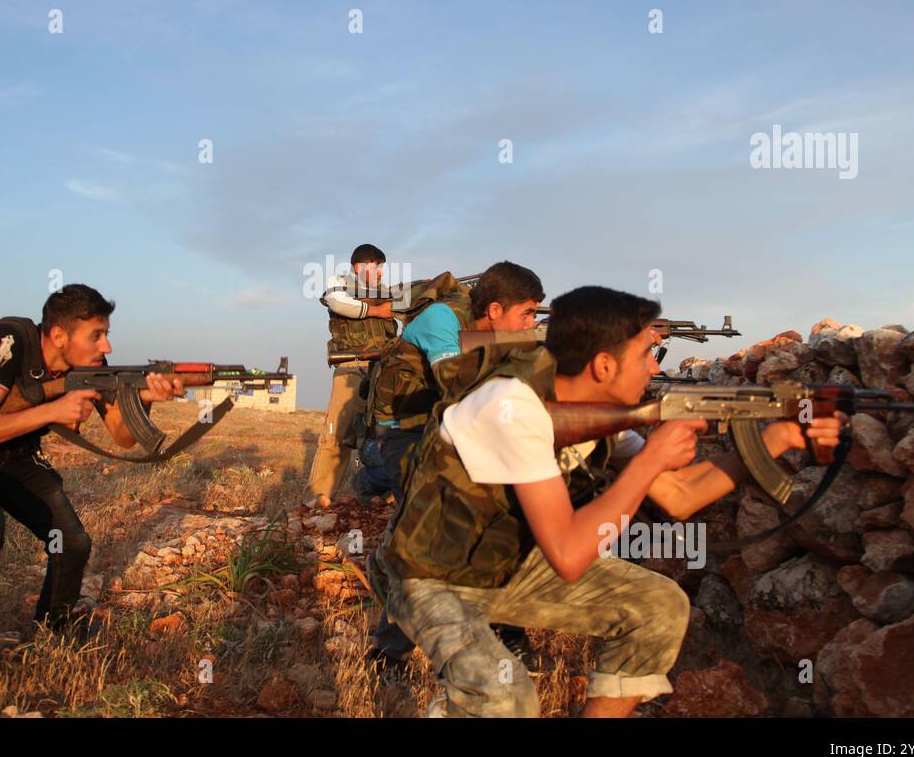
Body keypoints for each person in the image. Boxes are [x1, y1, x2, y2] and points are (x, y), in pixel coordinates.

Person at [375, 285, 845, 717]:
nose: (656, 368)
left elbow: (680, 496)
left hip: (503, 568)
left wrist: (778, 437)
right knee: (504, 698)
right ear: (603, 365)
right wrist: (648, 462)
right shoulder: (511, 406)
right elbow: (569, 555)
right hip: (429, 578)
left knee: (659, 607)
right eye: (647, 354)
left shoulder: (597, 418)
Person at [0, 284, 183, 716]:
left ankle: (55, 626)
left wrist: (147, 396)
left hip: (13, 456)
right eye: (96, 334)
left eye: (107, 334)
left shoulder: (93, 367)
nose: (107, 345)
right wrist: (53, 412)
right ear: (59, 336)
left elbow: (123, 434)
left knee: (72, 539)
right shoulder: (10, 340)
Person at [363, 261, 543, 665]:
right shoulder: (441, 320)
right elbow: (460, 386)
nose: (531, 323)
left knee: (503, 516)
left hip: (452, 425)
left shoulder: (496, 333)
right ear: (494, 310)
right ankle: (389, 652)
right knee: (426, 533)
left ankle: (508, 629)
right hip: (405, 431)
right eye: (527, 314)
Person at [307, 244, 398, 508]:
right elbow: (337, 302)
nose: (380, 272)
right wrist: (377, 311)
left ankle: (381, 494)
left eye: (382, 267)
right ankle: (317, 498)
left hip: (383, 373)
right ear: (359, 267)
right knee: (337, 433)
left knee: (385, 435)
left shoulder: (387, 294)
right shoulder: (340, 285)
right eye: (376, 266)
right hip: (351, 369)